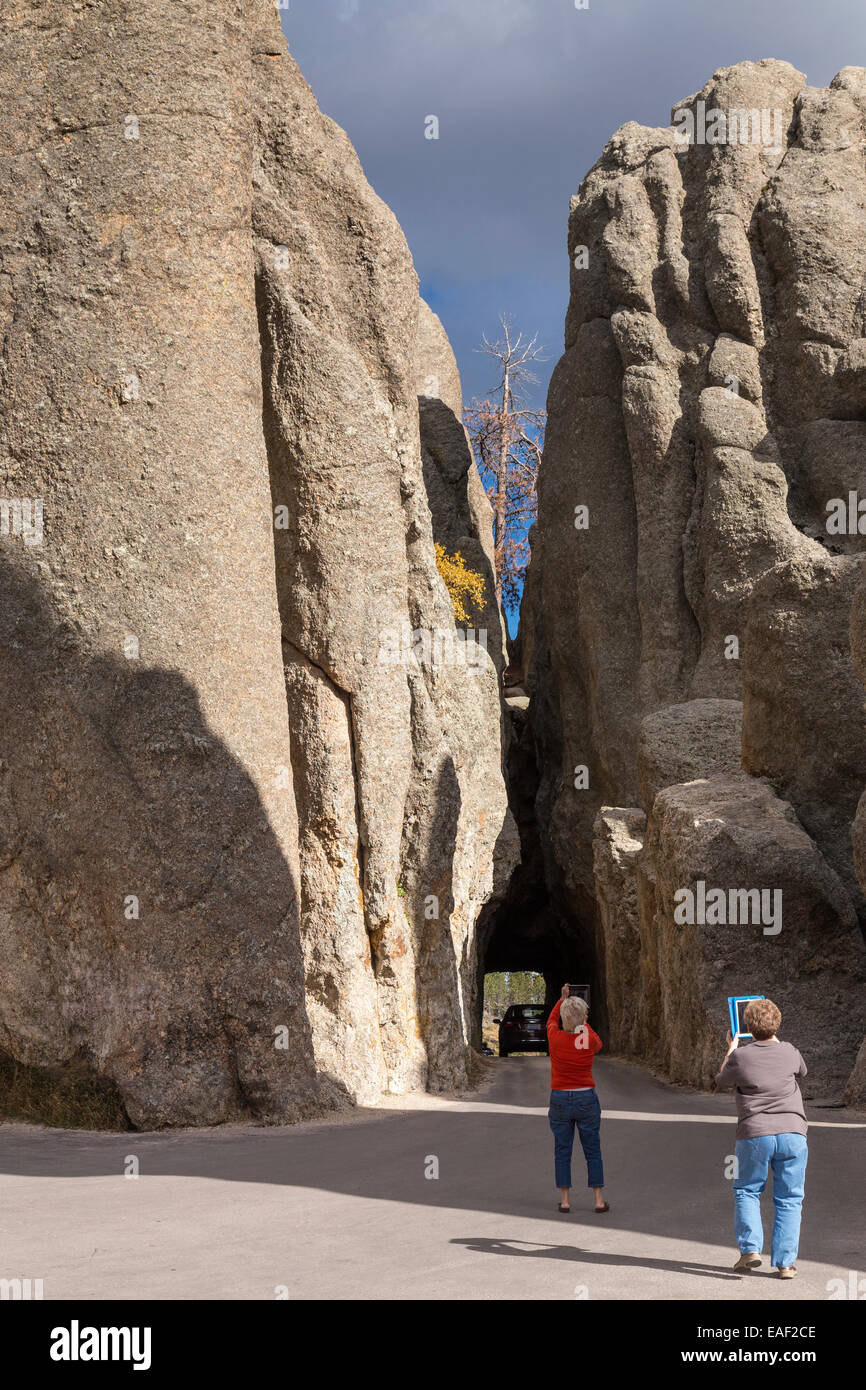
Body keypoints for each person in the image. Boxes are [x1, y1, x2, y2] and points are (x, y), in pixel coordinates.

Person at [715, 998, 808, 1280]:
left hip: (755, 1134)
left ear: (747, 1028)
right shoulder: (790, 1051)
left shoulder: (741, 1057)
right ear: (777, 1024)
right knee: (790, 1198)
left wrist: (731, 1049)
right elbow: (802, 1072)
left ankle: (750, 1249)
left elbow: (720, 1079)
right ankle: (785, 1264)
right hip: (793, 1133)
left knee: (746, 1190)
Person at [546, 983, 608, 1213]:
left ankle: (565, 1201)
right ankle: (599, 1200)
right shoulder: (588, 1040)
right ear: (584, 1019)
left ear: (563, 1019)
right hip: (586, 1098)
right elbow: (598, 1043)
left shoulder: (555, 1038)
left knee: (563, 1150)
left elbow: (551, 1021)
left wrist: (562, 1001)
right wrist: (583, 1022)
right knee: (592, 1149)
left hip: (560, 1098)